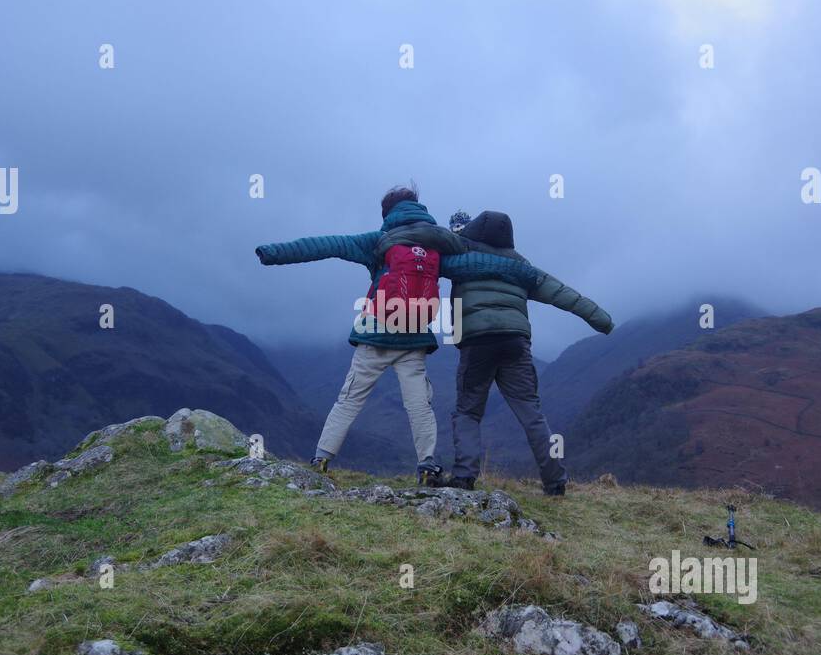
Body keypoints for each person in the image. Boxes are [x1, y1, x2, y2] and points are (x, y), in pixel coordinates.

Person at [254, 186, 541, 485]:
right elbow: (473, 264)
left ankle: (322, 458)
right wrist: (520, 270)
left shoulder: (379, 241)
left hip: (374, 334)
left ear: (387, 213)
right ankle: (427, 464)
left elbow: (328, 245)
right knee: (419, 405)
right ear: (418, 208)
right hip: (414, 339)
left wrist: (274, 253)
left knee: (349, 399)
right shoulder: (436, 244)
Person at [444, 210, 613, 495]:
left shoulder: (461, 261)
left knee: (468, 411)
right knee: (531, 414)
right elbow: (564, 294)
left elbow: (421, 260)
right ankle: (556, 482)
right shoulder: (522, 267)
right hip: (515, 342)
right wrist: (602, 320)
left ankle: (464, 477)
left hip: (477, 342)